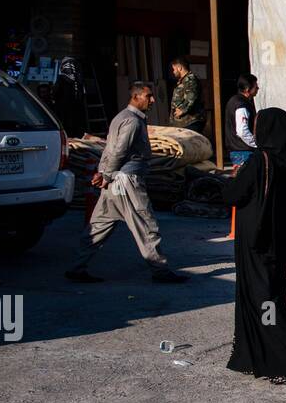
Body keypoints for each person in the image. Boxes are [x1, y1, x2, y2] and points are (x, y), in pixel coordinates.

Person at [222, 108, 286, 386]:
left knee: (267, 305)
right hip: (279, 247)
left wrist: (234, 178)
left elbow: (233, 194)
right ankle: (249, 357)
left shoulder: (259, 162)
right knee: (260, 300)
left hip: (257, 245)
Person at [69, 82, 186, 283]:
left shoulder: (120, 118)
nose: (152, 100)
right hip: (127, 181)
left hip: (114, 180)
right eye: (148, 96)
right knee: (146, 224)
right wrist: (105, 175)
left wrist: (103, 172)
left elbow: (109, 149)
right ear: (136, 97)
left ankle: (77, 267)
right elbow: (119, 151)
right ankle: (160, 271)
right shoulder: (132, 121)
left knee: (98, 226)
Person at [224, 74, 260, 167]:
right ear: (248, 88)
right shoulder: (241, 104)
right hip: (243, 152)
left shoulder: (236, 101)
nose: (257, 88)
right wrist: (256, 144)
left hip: (239, 150)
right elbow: (242, 131)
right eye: (255, 86)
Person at [168, 57, 205, 136]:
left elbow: (191, 96)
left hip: (190, 121)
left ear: (180, 68)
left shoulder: (190, 80)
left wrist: (182, 110)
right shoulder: (183, 80)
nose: (173, 72)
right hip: (183, 122)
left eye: (174, 69)